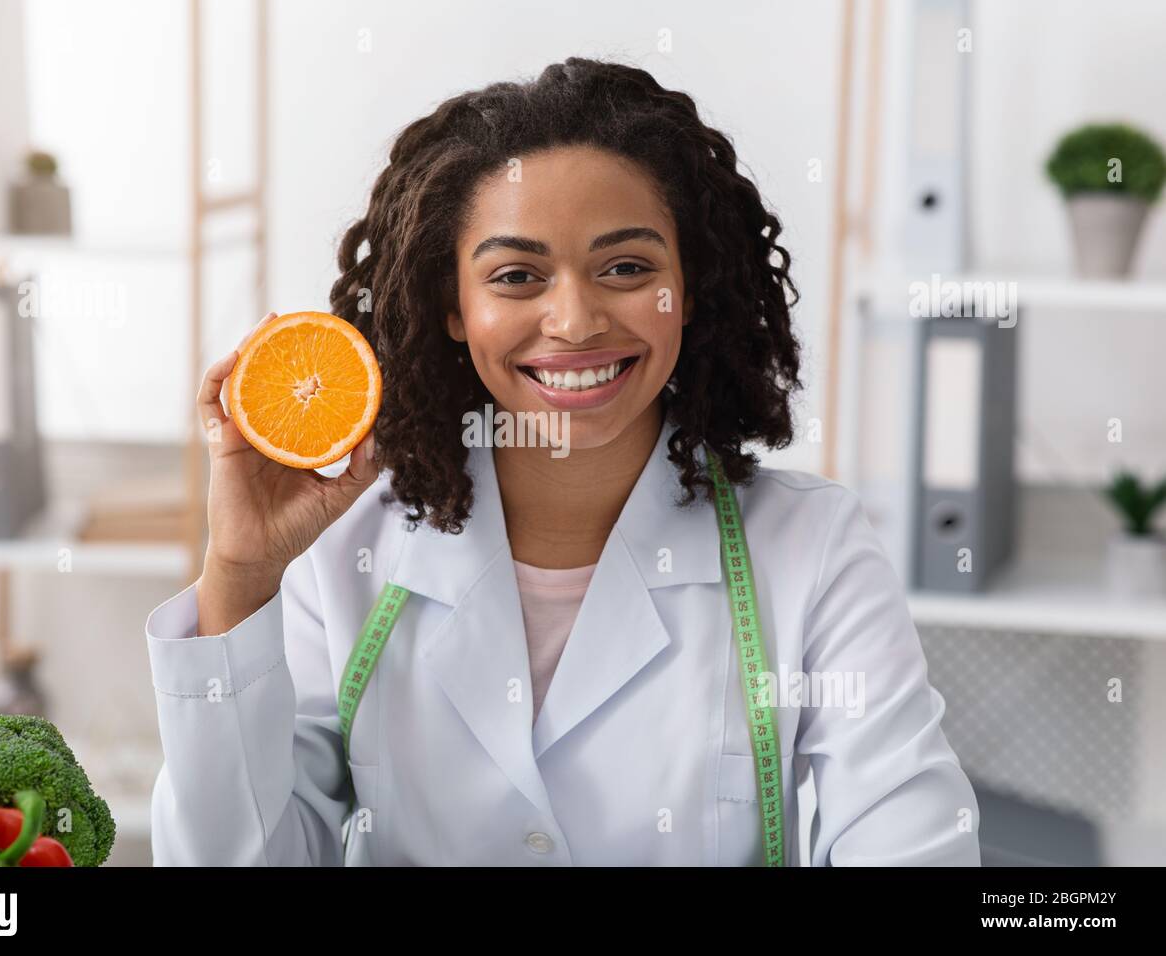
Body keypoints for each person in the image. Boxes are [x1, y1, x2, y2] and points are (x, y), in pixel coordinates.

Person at [144, 57, 980, 866]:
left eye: (626, 268)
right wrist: (240, 574)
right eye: (516, 275)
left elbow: (912, 840)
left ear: (687, 290)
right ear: (453, 309)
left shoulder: (813, 548)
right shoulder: (345, 551)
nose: (576, 321)